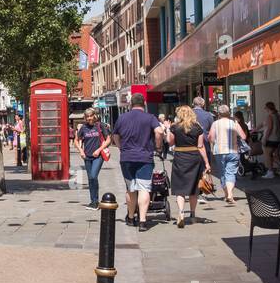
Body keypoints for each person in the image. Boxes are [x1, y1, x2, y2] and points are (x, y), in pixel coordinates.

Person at [111, 93, 162, 230]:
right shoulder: (150, 118)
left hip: (127, 158)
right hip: (145, 157)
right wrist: (158, 146)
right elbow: (159, 131)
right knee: (144, 188)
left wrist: (121, 147)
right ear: (144, 103)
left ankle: (131, 217)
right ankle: (143, 221)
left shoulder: (122, 118)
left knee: (131, 188)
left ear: (130, 104)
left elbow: (115, 136)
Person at [167, 105, 211, 228]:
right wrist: (207, 163)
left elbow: (170, 143)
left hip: (180, 157)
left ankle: (181, 212)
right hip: (194, 158)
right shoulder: (197, 127)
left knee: (180, 187)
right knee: (193, 188)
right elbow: (200, 146)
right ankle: (192, 215)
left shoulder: (174, 127)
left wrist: (167, 131)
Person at [208, 104, 248, 205]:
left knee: (222, 173)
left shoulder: (215, 124)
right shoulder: (234, 123)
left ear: (219, 114)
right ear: (228, 113)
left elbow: (211, 138)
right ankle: (229, 195)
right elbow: (243, 136)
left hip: (219, 151)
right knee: (230, 173)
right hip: (233, 151)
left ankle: (227, 195)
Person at [76, 108, 111, 208]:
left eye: (91, 116)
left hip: (98, 156)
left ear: (94, 116)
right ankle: (93, 201)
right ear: (85, 118)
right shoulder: (83, 127)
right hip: (87, 156)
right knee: (90, 179)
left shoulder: (100, 126)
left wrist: (99, 150)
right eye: (87, 117)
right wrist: (81, 151)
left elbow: (108, 140)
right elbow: (77, 140)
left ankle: (95, 201)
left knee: (93, 176)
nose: (89, 118)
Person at [262, 102, 280, 176]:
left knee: (267, 154)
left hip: (271, 138)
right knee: (275, 154)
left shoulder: (270, 116)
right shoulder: (277, 115)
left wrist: (265, 138)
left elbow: (269, 128)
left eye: (265, 108)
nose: (265, 109)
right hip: (278, 138)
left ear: (268, 108)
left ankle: (270, 172)